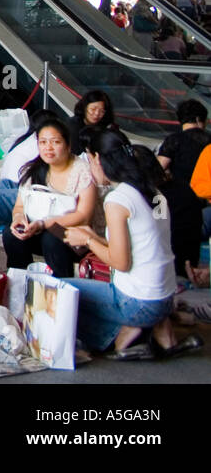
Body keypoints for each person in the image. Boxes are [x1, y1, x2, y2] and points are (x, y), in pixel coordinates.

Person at [63, 129, 203, 360]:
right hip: (166, 296)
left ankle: (122, 336)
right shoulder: (156, 193)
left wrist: (87, 240)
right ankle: (154, 332)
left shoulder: (118, 199)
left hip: (140, 302)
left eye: (89, 159)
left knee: (62, 290)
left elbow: (121, 262)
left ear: (98, 158)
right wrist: (96, 238)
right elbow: (147, 243)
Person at [4, 115, 100, 279]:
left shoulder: (82, 171)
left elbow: (84, 215)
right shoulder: (33, 169)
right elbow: (20, 206)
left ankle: (62, 285)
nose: (48, 148)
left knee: (51, 238)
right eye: (43, 142)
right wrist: (19, 219)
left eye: (55, 142)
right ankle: (19, 282)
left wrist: (44, 224)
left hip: (73, 236)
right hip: (37, 228)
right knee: (11, 234)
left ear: (68, 145)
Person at [156, 99, 211, 274]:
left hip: (180, 206)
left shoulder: (174, 140)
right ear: (199, 119)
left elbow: (157, 168)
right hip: (204, 207)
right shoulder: (209, 140)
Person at [68, 90, 116, 155]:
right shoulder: (73, 126)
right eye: (93, 109)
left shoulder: (104, 128)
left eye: (101, 111)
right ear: (85, 107)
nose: (96, 114)